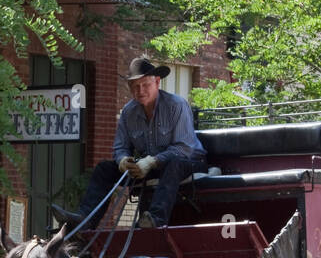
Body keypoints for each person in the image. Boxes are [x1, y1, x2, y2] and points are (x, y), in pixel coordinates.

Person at [51, 55, 206, 232]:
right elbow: (120, 147)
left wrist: (151, 161)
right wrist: (123, 161)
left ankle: (155, 218)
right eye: (135, 86)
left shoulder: (176, 105)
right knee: (103, 168)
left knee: (174, 163)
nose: (140, 90)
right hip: (151, 166)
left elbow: (183, 148)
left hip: (190, 162)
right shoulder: (128, 112)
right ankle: (85, 220)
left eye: (145, 85)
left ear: (157, 82)